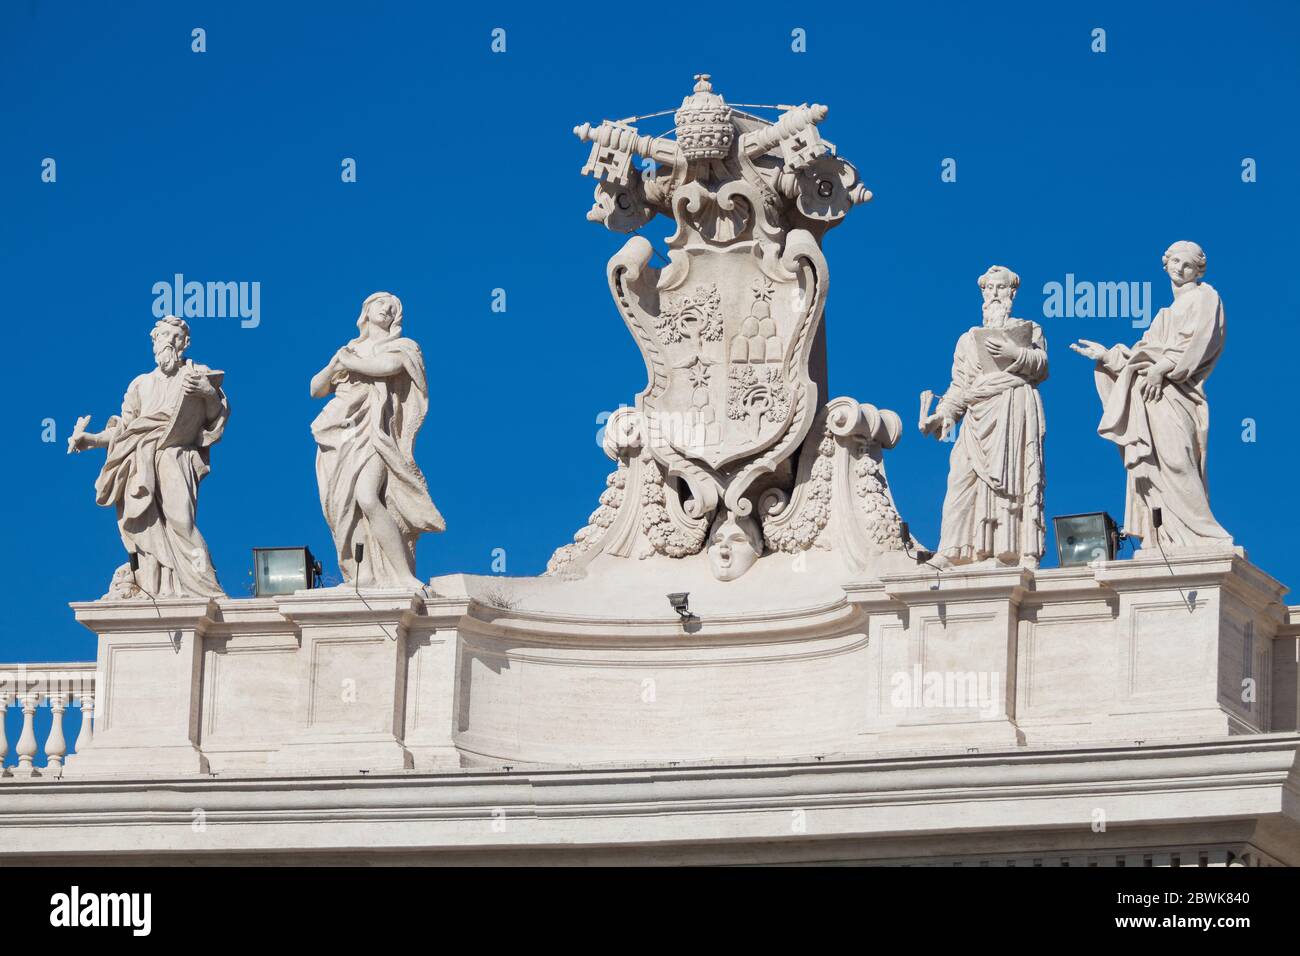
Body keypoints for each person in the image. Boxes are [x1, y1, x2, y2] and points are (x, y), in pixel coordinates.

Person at [1070, 241, 1231, 549]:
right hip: (1151, 397)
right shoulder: (1163, 316)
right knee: (1156, 465)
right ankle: (1167, 536)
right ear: (1166, 265)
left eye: (1187, 264)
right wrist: (1107, 358)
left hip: (1178, 394)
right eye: (1175, 262)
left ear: (1199, 268)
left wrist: (1163, 368)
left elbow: (1201, 343)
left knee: (1178, 460)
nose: (1180, 269)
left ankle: (1203, 533)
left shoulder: (1206, 298)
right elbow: (1140, 358)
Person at [68, 316, 227, 597]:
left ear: (185, 343)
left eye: (175, 337)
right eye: (163, 336)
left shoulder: (198, 374)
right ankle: (157, 585)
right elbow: (123, 432)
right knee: (148, 524)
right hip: (139, 458)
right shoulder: (140, 385)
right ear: (154, 342)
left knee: (181, 521)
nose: (169, 341)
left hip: (177, 454)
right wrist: (90, 440)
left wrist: (206, 393)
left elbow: (214, 420)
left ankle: (206, 588)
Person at [310, 292, 444, 589]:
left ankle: (403, 575)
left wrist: (350, 363)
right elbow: (315, 388)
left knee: (368, 496)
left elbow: (385, 368)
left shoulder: (404, 347)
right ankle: (362, 576)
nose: (388, 308)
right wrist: (336, 365)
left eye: (394, 307)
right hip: (338, 433)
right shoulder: (349, 348)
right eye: (381, 303)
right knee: (343, 507)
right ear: (366, 311)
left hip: (374, 432)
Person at [921, 266, 1047, 569]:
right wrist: (943, 414)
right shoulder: (967, 340)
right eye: (989, 288)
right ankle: (953, 550)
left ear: (1012, 293)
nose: (994, 294)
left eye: (1001, 288)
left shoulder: (1029, 330)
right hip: (977, 412)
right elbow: (959, 385)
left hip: (1012, 408)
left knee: (1012, 482)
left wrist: (1012, 351)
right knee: (960, 476)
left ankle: (1010, 551)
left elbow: (1041, 366)